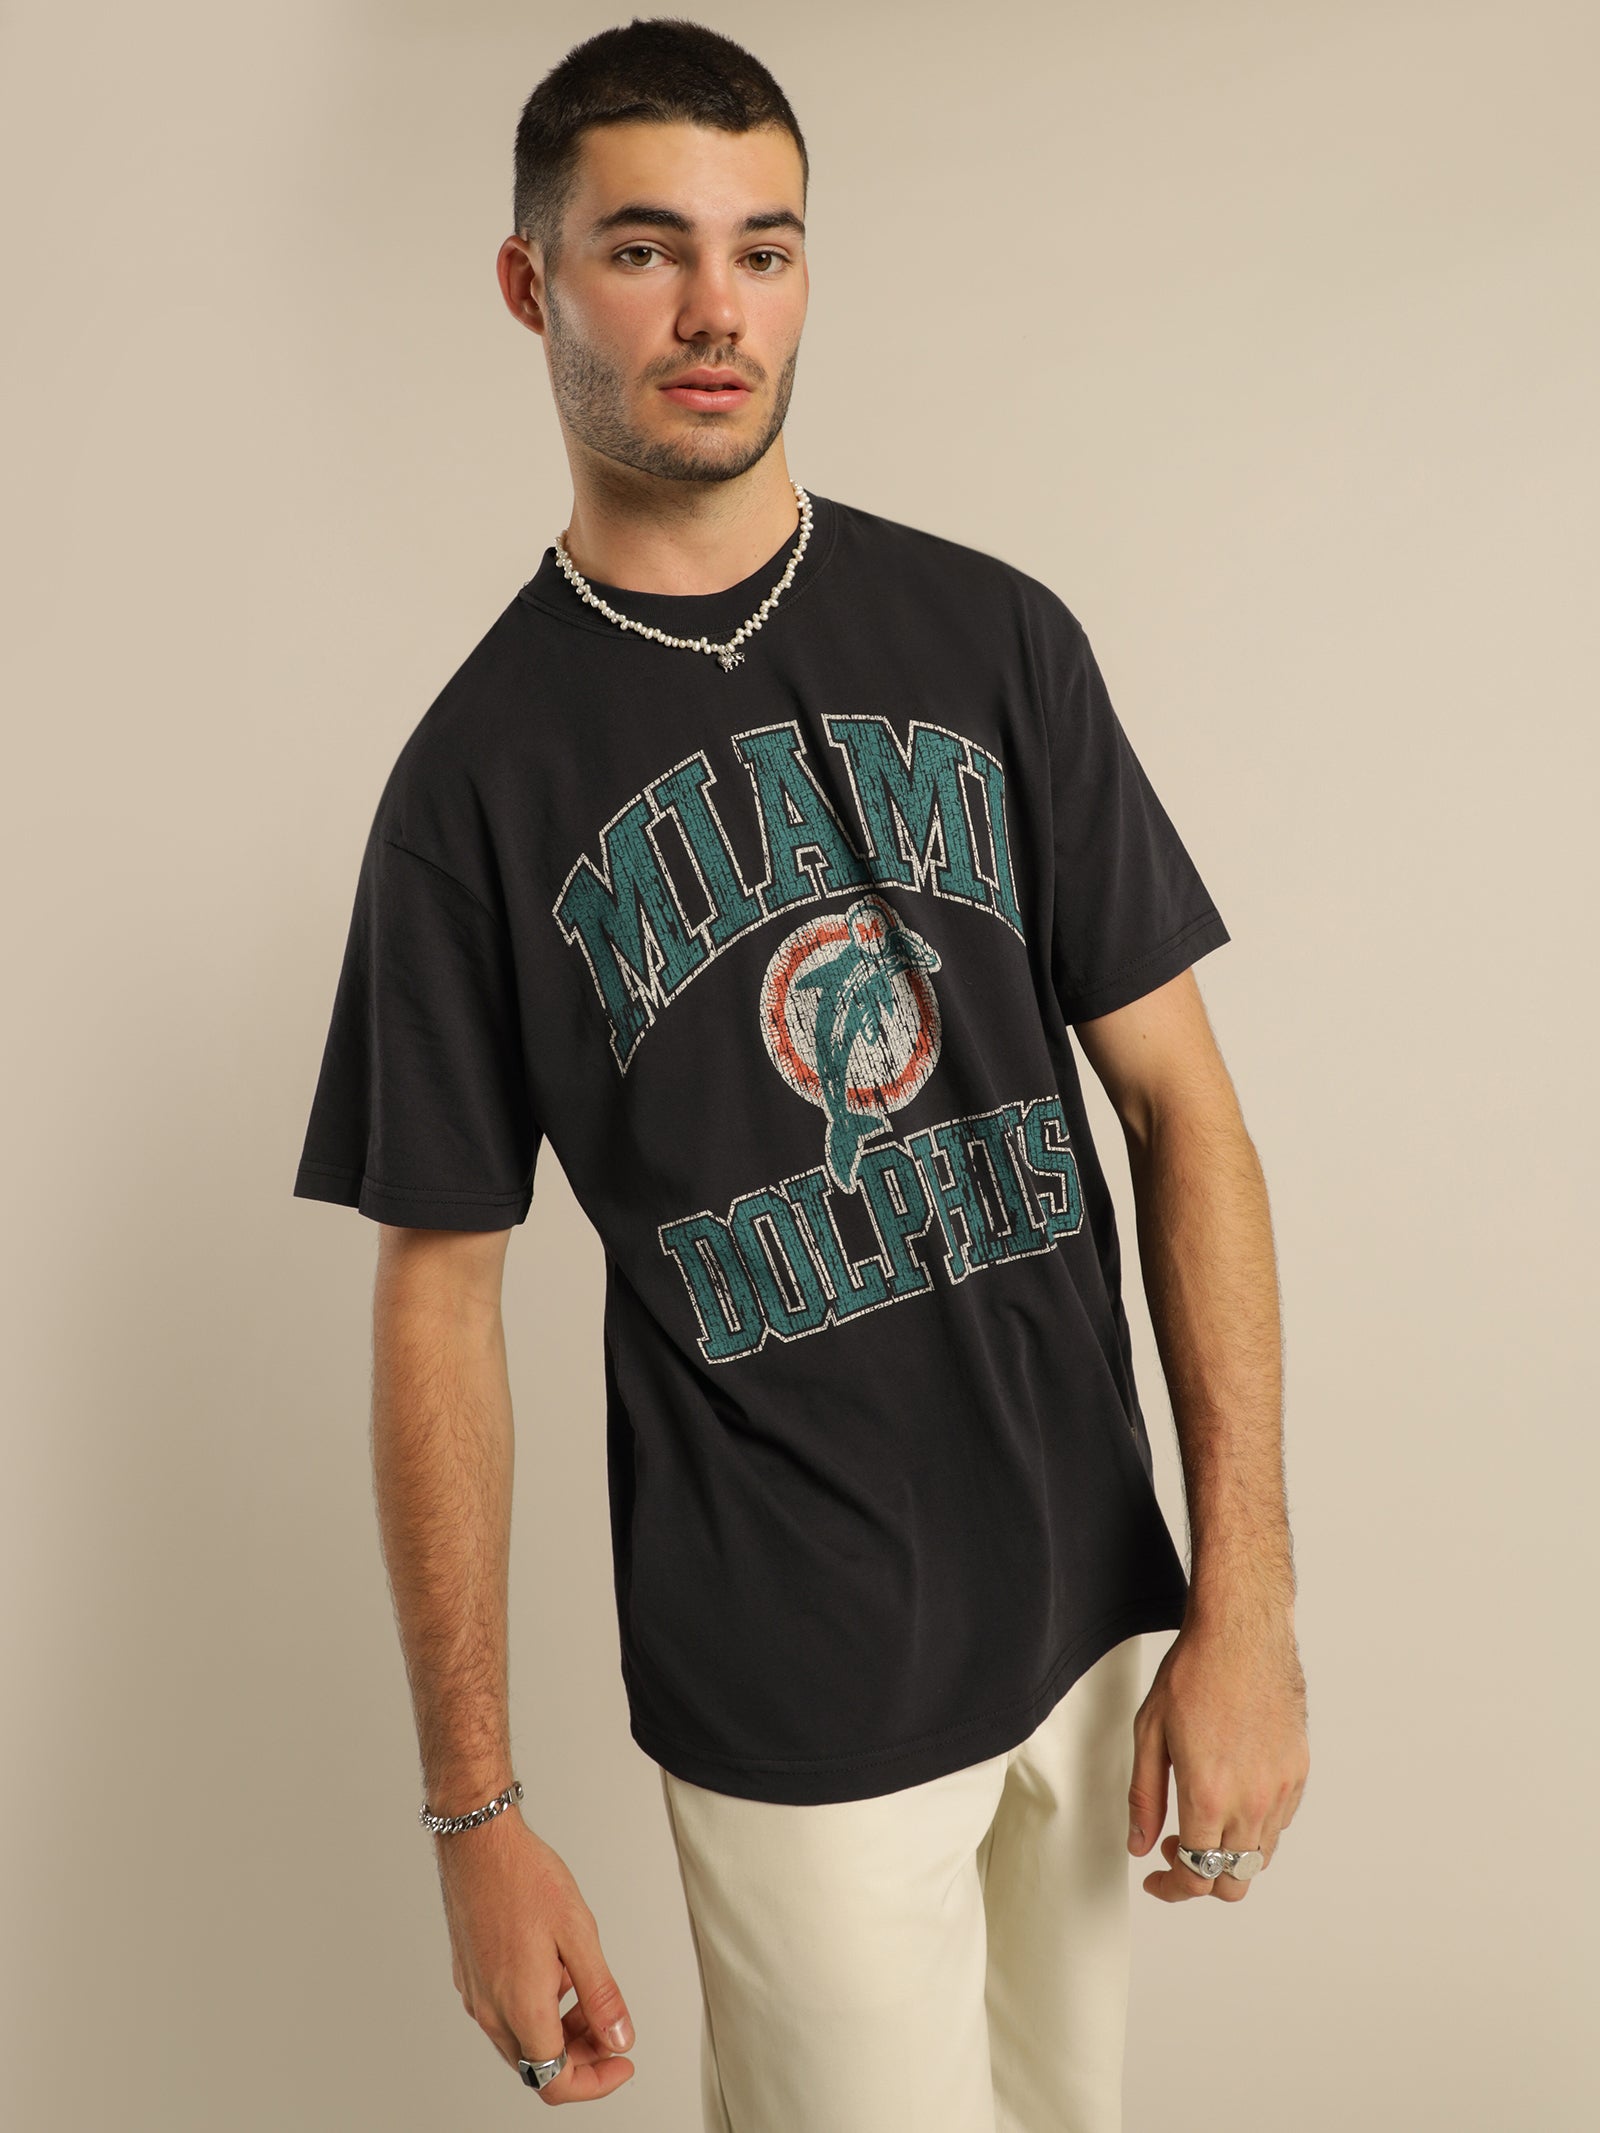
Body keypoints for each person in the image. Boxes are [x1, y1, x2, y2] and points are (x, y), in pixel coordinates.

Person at [291, 17, 1310, 2127]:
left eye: (762, 249)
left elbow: (1185, 1113)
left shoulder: (995, 638)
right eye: (644, 248)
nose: (713, 308)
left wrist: (1249, 1597)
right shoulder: (473, 784)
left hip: (1093, 1605)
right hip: (795, 1666)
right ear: (530, 283)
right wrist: (473, 1811)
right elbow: (438, 1296)